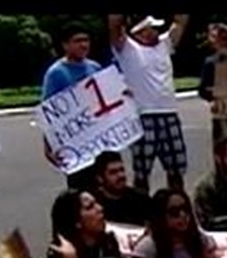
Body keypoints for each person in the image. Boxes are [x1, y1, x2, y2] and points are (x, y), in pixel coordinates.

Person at [109, 14, 190, 193]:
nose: (156, 31)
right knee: (142, 173)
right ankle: (142, 215)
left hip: (169, 114)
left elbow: (180, 22)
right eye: (152, 28)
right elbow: (114, 25)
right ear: (140, 31)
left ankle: (177, 208)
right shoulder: (127, 48)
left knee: (176, 170)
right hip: (142, 116)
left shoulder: (164, 44)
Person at [41, 23, 104, 191]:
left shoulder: (95, 67)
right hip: (77, 145)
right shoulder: (56, 73)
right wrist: (48, 145)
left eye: (86, 40)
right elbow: (49, 112)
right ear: (65, 45)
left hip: (102, 140)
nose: (84, 44)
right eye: (78, 41)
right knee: (81, 191)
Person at [91, 151, 152, 227]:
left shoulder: (141, 199)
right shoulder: (94, 203)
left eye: (122, 170)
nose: (120, 175)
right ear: (100, 178)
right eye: (113, 172)